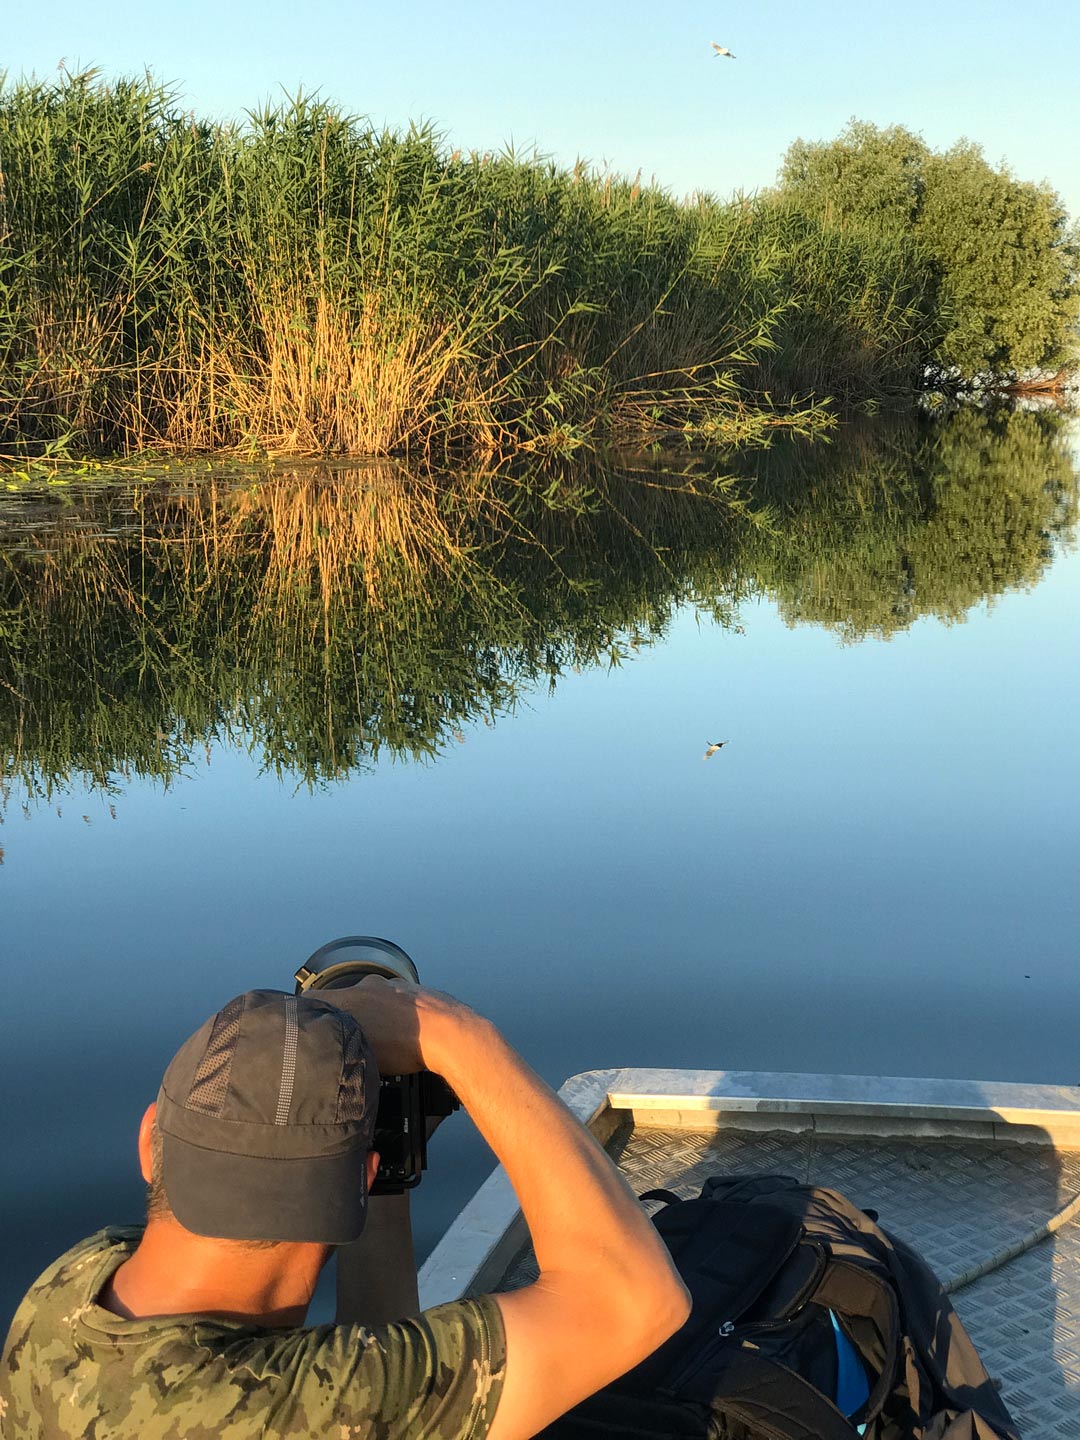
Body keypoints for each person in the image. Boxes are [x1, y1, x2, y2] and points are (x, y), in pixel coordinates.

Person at [0, 980, 689, 1439]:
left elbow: (367, 1362)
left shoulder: (71, 1289)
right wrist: (462, 1042)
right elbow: (636, 1301)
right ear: (360, 1177)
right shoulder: (275, 1404)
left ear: (151, 1139)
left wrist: (376, 1172)